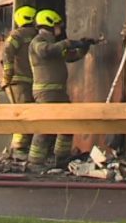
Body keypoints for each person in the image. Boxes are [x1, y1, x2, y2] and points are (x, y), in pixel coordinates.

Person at [26, 9, 96, 170]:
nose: (60, 29)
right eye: (58, 25)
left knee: (68, 124)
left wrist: (83, 46)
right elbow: (46, 51)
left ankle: (62, 158)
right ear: (50, 23)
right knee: (46, 127)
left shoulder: (53, 45)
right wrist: (68, 42)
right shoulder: (38, 42)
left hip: (59, 93)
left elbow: (72, 56)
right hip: (46, 94)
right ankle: (35, 162)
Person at [1, 5, 37, 159]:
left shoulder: (17, 35)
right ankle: (18, 150)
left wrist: (7, 75)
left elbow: (6, 53)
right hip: (24, 81)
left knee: (22, 114)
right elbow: (7, 53)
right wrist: (9, 74)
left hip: (19, 82)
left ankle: (19, 149)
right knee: (23, 114)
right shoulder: (35, 36)